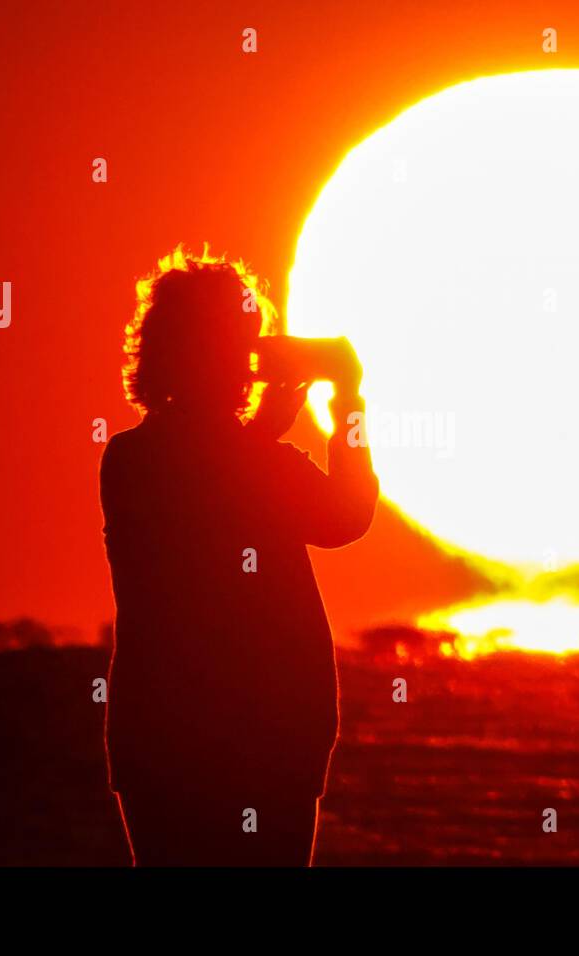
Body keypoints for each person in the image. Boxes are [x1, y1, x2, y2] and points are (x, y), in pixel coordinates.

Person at [98, 248, 378, 865]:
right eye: (240, 344)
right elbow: (346, 515)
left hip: (170, 737)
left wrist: (263, 434)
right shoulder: (235, 460)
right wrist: (348, 403)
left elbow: (217, 488)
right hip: (259, 732)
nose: (252, 361)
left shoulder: (131, 459)